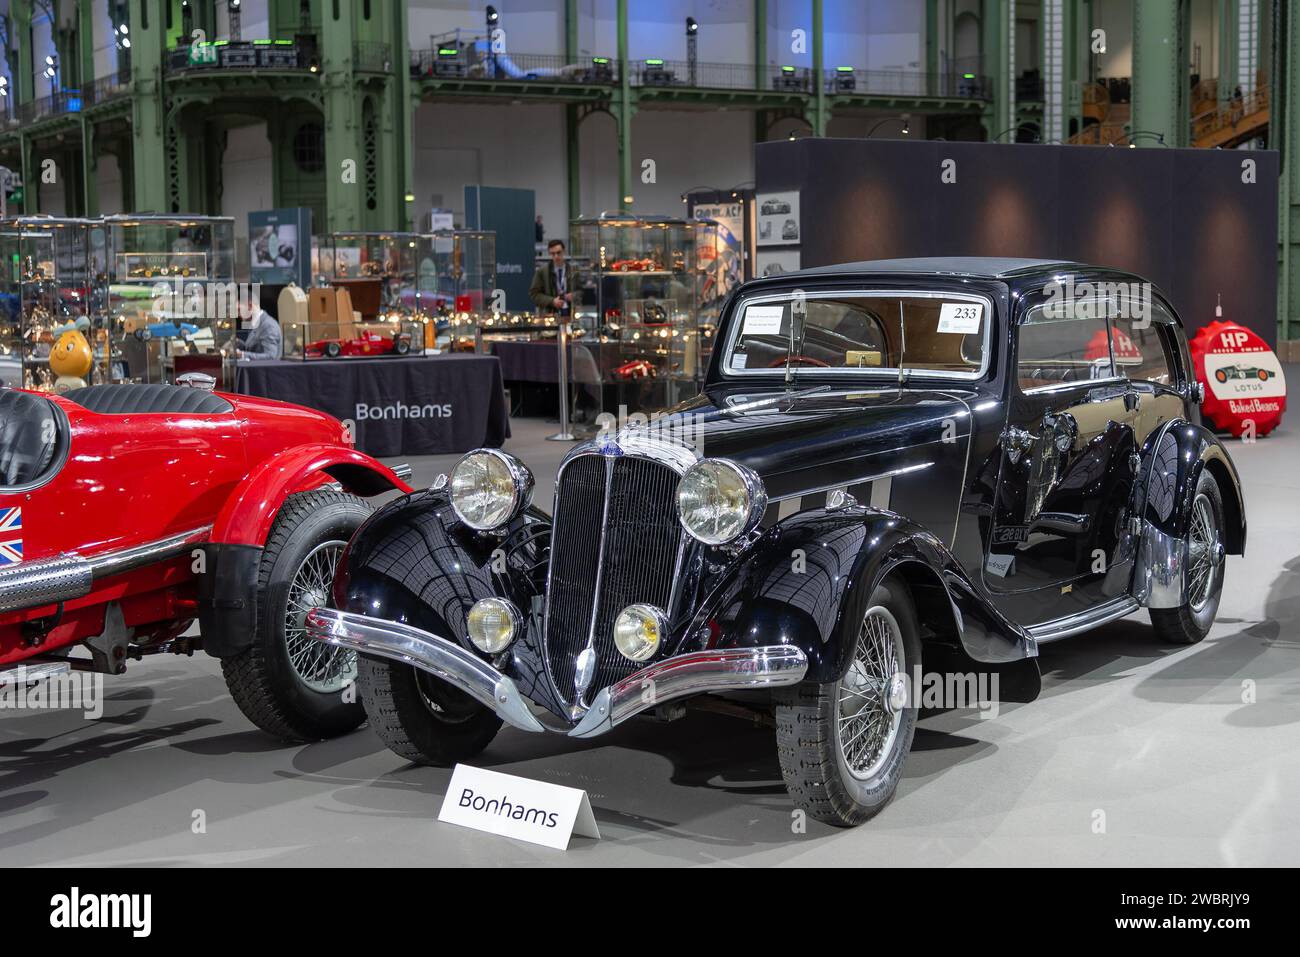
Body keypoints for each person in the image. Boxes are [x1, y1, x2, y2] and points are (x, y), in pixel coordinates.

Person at [530, 238, 572, 316]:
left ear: (564, 251)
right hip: (549, 315)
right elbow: (534, 294)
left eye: (558, 253)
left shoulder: (572, 270)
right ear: (550, 254)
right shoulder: (542, 272)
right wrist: (552, 301)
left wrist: (574, 295)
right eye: (553, 254)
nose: (556, 256)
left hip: (570, 313)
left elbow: (580, 291)